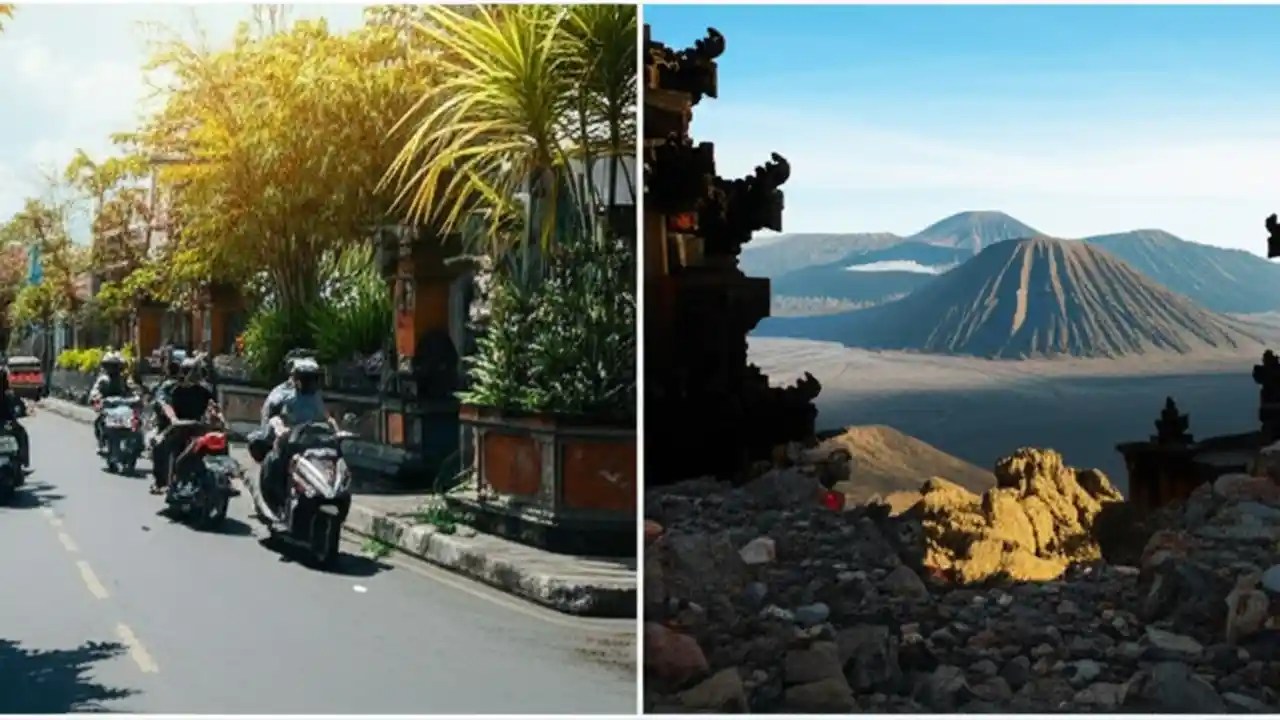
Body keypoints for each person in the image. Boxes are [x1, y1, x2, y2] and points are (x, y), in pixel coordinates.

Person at [259, 355, 334, 514]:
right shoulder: (283, 394)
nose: (309, 382)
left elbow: (326, 416)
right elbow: (272, 415)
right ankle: (277, 502)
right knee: (275, 463)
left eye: (313, 378)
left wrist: (335, 430)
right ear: (295, 378)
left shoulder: (315, 395)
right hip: (290, 442)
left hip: (312, 442)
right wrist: (280, 429)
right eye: (306, 378)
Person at [150, 357, 220, 495]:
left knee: (220, 439)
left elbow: (213, 407)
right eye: (188, 371)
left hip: (198, 426)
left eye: (196, 371)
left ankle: (224, 478)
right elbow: (165, 404)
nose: (192, 374)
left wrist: (217, 419)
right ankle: (161, 482)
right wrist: (173, 419)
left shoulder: (205, 389)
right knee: (159, 445)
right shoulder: (170, 387)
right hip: (177, 425)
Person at [89, 351, 136, 454]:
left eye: (116, 366)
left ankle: (134, 442)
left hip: (123, 407)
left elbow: (132, 389)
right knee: (99, 421)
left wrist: (136, 396)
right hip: (108, 408)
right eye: (111, 366)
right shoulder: (103, 379)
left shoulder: (124, 379)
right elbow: (95, 391)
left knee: (136, 421)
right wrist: (96, 398)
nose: (113, 369)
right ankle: (101, 441)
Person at [0, 366, 30, 469]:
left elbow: (20, 407)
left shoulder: (10, 395)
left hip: (6, 424)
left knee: (21, 433)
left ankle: (22, 461)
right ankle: (23, 461)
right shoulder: (9, 395)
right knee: (22, 433)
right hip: (7, 424)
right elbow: (20, 408)